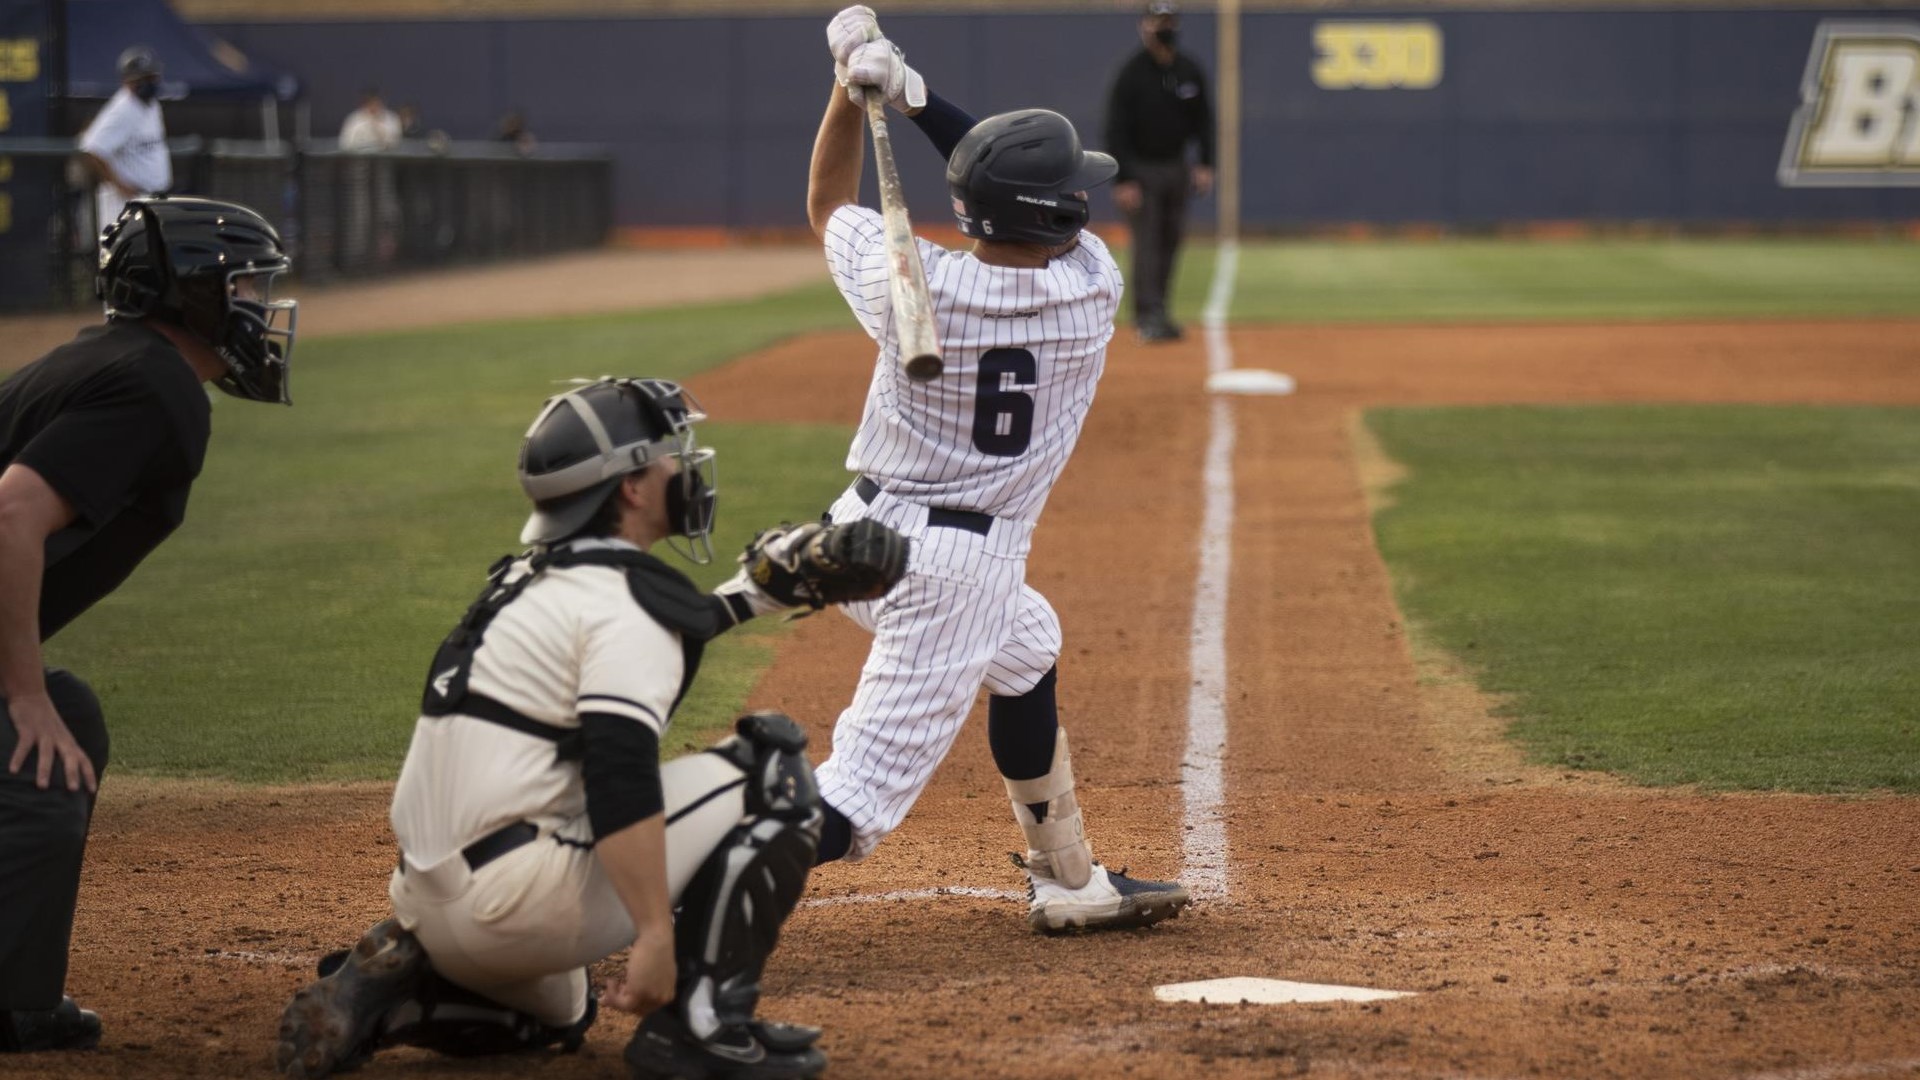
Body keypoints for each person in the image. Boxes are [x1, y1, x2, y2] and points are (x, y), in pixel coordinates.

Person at [274, 378, 905, 1080]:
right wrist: (656, 937)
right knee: (769, 768)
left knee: (562, 1012)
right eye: (666, 455)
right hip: (514, 902)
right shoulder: (621, 607)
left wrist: (758, 591)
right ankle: (701, 1030)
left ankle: (407, 989)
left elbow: (664, 623)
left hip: (432, 899)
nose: (682, 468)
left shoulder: (537, 579)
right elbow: (619, 775)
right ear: (630, 487)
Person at [807, 6, 1191, 934]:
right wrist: (920, 99)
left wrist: (853, 93)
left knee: (1029, 649)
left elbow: (828, 207)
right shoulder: (1091, 288)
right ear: (1062, 215)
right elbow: (1014, 191)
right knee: (849, 811)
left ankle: (1067, 880)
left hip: (854, 534)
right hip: (949, 577)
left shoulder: (909, 282)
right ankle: (602, 895)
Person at [0, 197, 297, 1054]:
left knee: (68, 721)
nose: (255, 304)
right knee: (43, 750)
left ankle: (15, 988)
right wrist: (22, 694)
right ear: (192, 292)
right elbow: (13, 515)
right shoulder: (156, 386)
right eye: (243, 283)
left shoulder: (109, 358)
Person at [1103, 0, 1215, 343]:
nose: (1164, 28)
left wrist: (1206, 163)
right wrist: (1124, 178)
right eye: (1157, 21)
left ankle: (1161, 311)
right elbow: (1115, 129)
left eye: (1169, 20)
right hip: (1142, 169)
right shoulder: (1132, 73)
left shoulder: (1188, 70)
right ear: (1144, 26)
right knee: (1147, 244)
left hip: (1176, 167)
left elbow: (1204, 122)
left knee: (1171, 240)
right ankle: (1146, 316)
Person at [77, 46, 172, 239]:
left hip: (151, 199)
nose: (149, 82)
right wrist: (118, 184)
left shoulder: (152, 105)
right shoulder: (122, 109)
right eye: (142, 79)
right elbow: (91, 149)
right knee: (122, 263)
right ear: (127, 82)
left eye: (151, 76)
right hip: (123, 205)